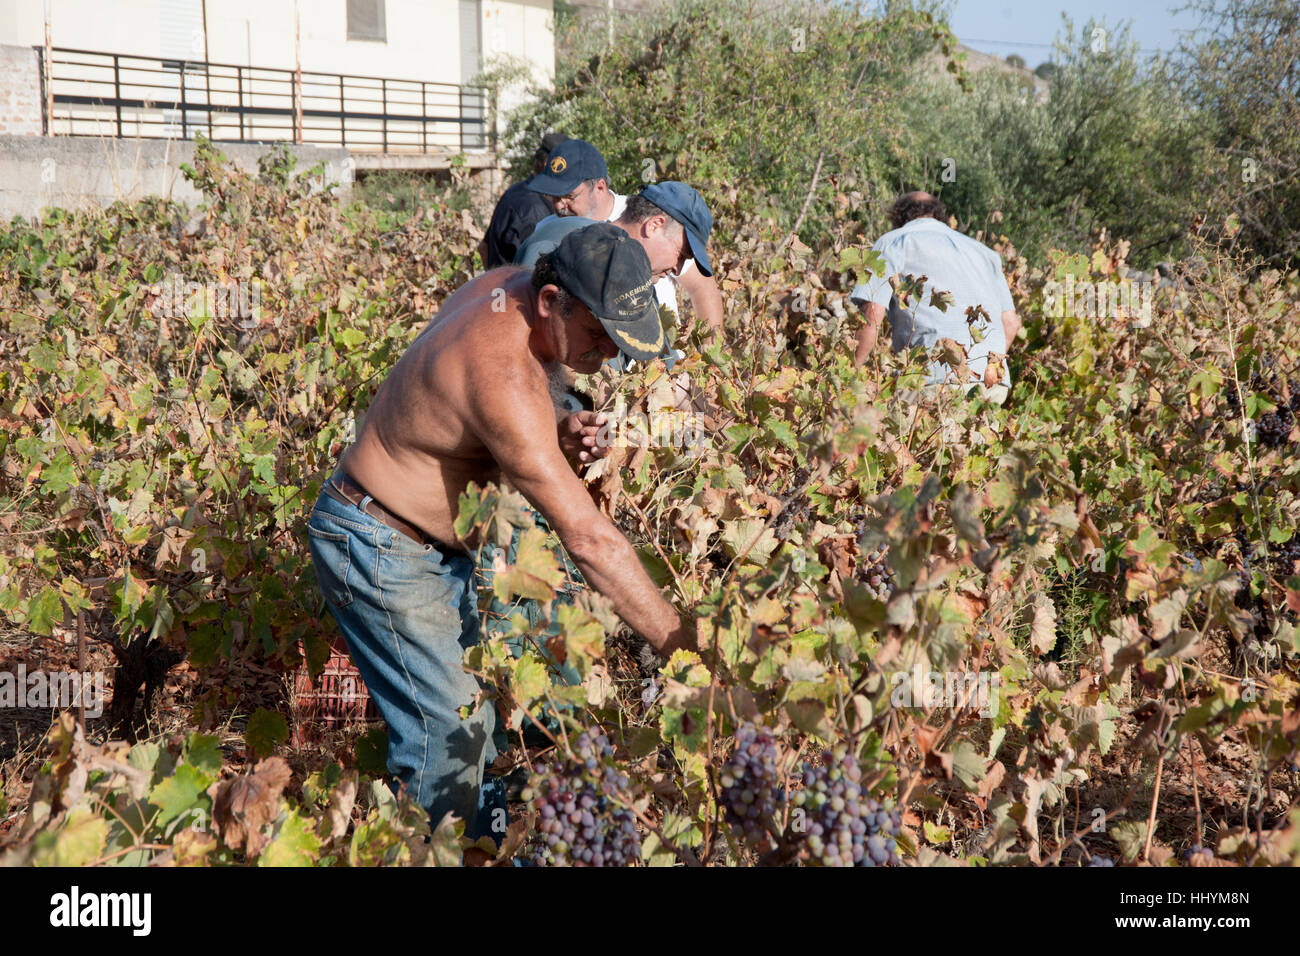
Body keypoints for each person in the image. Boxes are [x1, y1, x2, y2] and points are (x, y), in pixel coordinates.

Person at [306, 223, 695, 843]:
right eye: (599, 335)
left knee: (478, 713)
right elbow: (591, 541)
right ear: (552, 302)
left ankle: (474, 842)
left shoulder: (501, 286)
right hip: (379, 546)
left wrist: (557, 431)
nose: (608, 356)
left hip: (415, 540)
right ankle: (428, 853)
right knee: (449, 735)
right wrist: (680, 642)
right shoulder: (504, 378)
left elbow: (470, 417)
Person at [523, 139, 724, 333]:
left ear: (600, 187)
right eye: (554, 196)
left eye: (570, 196)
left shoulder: (641, 216)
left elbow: (702, 288)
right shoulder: (548, 232)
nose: (559, 205)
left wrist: (710, 355)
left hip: (658, 361)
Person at [851, 191, 1021, 400]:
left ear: (899, 217)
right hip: (992, 382)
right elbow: (1011, 324)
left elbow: (873, 312)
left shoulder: (894, 241)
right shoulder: (985, 253)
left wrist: (851, 374)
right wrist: (978, 367)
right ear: (939, 215)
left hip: (936, 378)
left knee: (900, 429)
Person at [479, 132, 570, 269]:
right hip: (515, 289)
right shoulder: (534, 210)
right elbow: (536, 271)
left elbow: (483, 248)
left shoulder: (516, 191)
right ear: (549, 164)